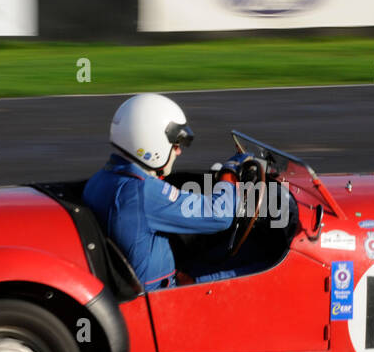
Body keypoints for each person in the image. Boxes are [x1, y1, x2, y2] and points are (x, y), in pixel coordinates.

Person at [83, 93, 250, 291]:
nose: (178, 151)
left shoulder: (101, 179)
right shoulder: (142, 191)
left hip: (142, 283)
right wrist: (230, 173)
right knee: (253, 267)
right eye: (175, 144)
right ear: (151, 142)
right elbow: (221, 215)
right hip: (159, 295)